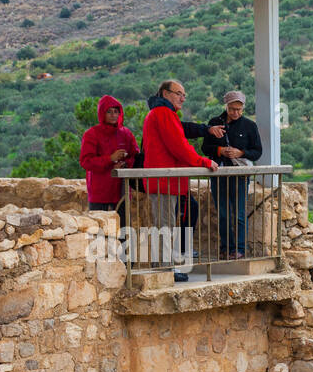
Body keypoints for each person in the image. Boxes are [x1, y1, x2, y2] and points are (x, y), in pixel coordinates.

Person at [141, 80, 217, 278]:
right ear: (165, 94)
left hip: (164, 181)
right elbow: (179, 145)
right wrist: (203, 161)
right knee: (164, 226)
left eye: (184, 95)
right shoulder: (164, 114)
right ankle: (164, 271)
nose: (182, 98)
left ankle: (164, 267)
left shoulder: (159, 113)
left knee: (164, 225)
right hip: (164, 182)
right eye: (178, 93)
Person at [202, 90, 264, 259]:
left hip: (240, 176)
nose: (236, 113)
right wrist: (220, 150)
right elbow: (204, 148)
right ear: (227, 106)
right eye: (232, 109)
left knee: (239, 214)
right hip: (219, 174)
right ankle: (225, 248)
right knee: (223, 214)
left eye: (239, 109)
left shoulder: (250, 126)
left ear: (243, 108)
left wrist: (240, 153)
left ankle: (240, 249)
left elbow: (257, 151)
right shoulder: (215, 123)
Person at [78, 94, 138, 229]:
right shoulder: (92, 134)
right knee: (100, 231)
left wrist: (126, 164)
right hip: (100, 192)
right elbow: (86, 161)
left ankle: (124, 251)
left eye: (116, 111)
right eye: (109, 111)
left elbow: (135, 155)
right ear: (102, 113)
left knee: (123, 230)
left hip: (121, 191)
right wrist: (110, 159)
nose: (113, 115)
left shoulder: (126, 133)